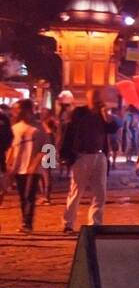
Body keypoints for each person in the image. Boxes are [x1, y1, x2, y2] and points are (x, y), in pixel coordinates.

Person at [59, 87, 119, 233]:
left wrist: (105, 114)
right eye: (94, 97)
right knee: (76, 191)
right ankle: (68, 223)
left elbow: (113, 128)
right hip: (81, 155)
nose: (97, 100)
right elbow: (69, 133)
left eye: (99, 97)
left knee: (100, 192)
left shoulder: (103, 114)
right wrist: (65, 155)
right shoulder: (79, 113)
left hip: (99, 155)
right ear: (88, 98)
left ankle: (95, 223)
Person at [5, 100, 49, 233]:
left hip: (33, 168)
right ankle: (25, 220)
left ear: (28, 110)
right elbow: (11, 148)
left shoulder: (39, 128)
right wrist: (8, 164)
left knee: (29, 195)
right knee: (22, 196)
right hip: (18, 167)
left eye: (19, 109)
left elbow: (47, 147)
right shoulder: (15, 128)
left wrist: (37, 163)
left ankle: (27, 224)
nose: (17, 112)